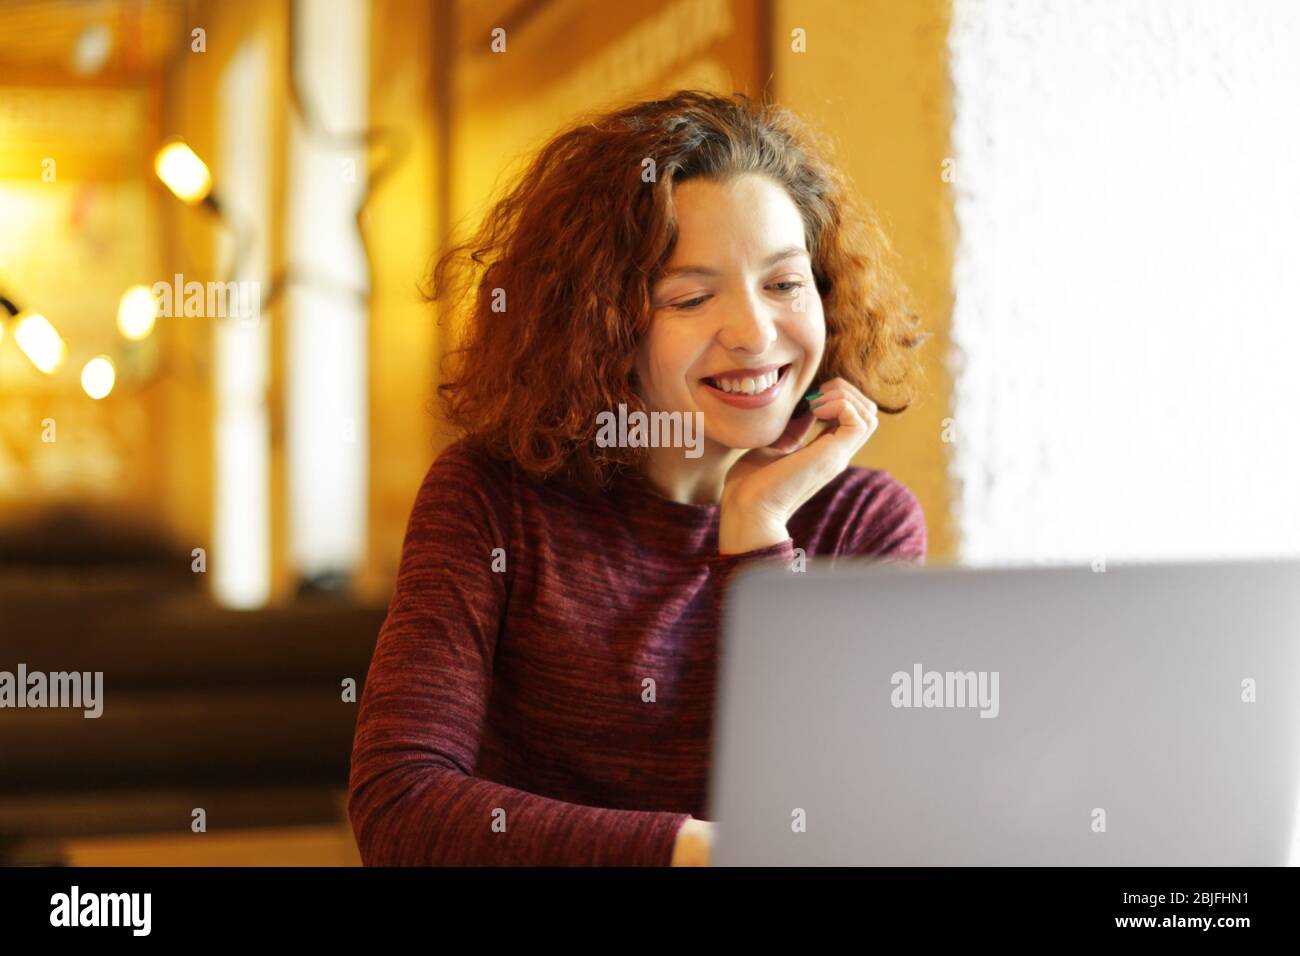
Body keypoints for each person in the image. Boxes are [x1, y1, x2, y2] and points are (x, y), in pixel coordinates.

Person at [348, 89, 929, 866]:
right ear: (600, 322)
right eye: (691, 296)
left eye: (786, 284)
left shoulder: (864, 524)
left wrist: (757, 534)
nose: (756, 333)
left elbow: (846, 824)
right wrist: (688, 851)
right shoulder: (491, 498)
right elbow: (401, 803)